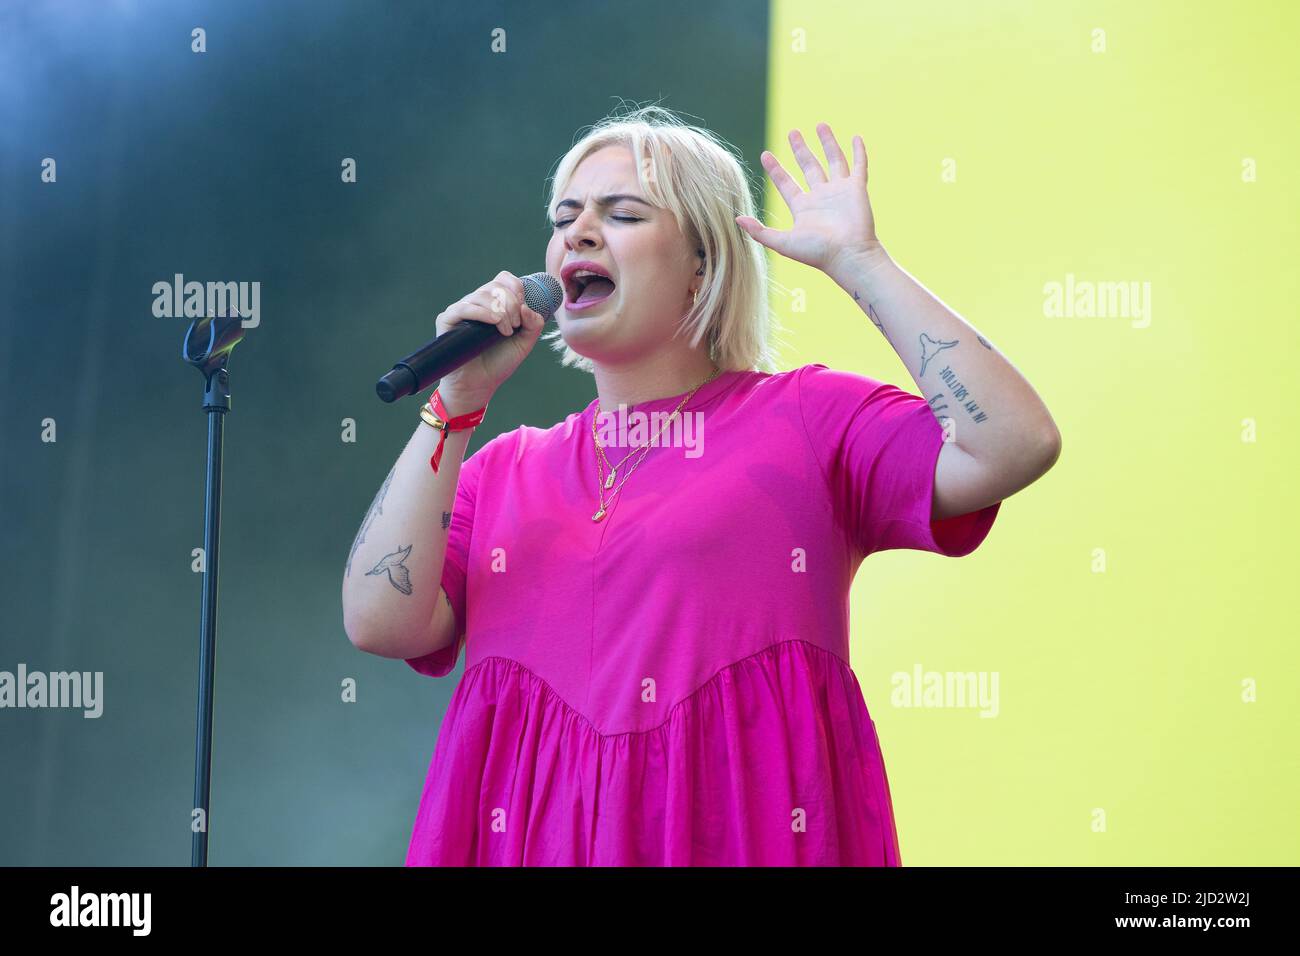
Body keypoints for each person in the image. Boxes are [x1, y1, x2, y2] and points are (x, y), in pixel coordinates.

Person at [341, 105, 1061, 866]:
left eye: (622, 213)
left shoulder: (807, 420)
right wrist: (452, 409)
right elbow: (380, 623)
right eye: (565, 216)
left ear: (703, 265)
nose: (578, 232)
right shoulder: (502, 468)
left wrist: (861, 262)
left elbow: (1014, 444)